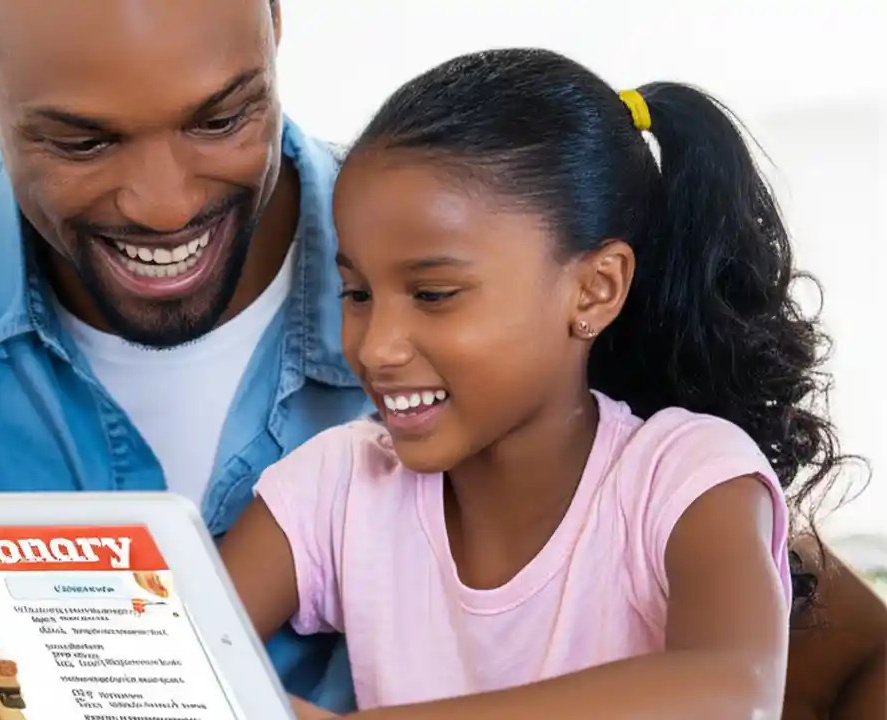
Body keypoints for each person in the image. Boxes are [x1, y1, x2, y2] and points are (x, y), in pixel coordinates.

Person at [0, 2, 880, 719]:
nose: (161, 202)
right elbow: (165, 660)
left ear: (277, 25)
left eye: (223, 117)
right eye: (82, 140)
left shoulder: (527, 309)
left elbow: (754, 675)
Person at [218, 48, 885, 719]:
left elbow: (731, 693)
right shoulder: (337, 488)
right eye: (356, 293)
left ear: (595, 290)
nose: (375, 346)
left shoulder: (688, 478)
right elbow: (165, 652)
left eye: (434, 293)